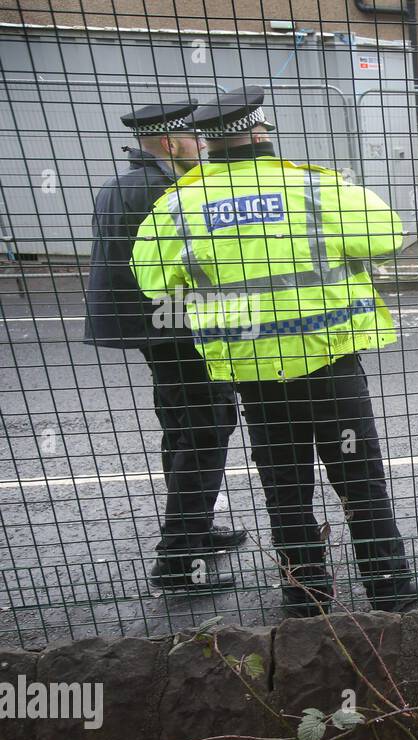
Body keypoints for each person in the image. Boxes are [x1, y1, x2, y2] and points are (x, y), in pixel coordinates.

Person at [131, 86, 418, 617]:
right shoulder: (316, 188)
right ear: (260, 132)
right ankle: (390, 589)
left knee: (285, 489)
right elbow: (390, 235)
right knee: (360, 482)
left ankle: (304, 594)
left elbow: (153, 280)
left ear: (208, 143)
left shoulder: (178, 205)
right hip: (330, 365)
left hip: (255, 372)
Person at [85, 100, 247, 592]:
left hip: (152, 330)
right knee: (205, 430)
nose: (204, 146)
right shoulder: (168, 188)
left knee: (182, 428)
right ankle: (177, 558)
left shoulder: (121, 183)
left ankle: (194, 529)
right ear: (171, 143)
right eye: (197, 140)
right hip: (176, 329)